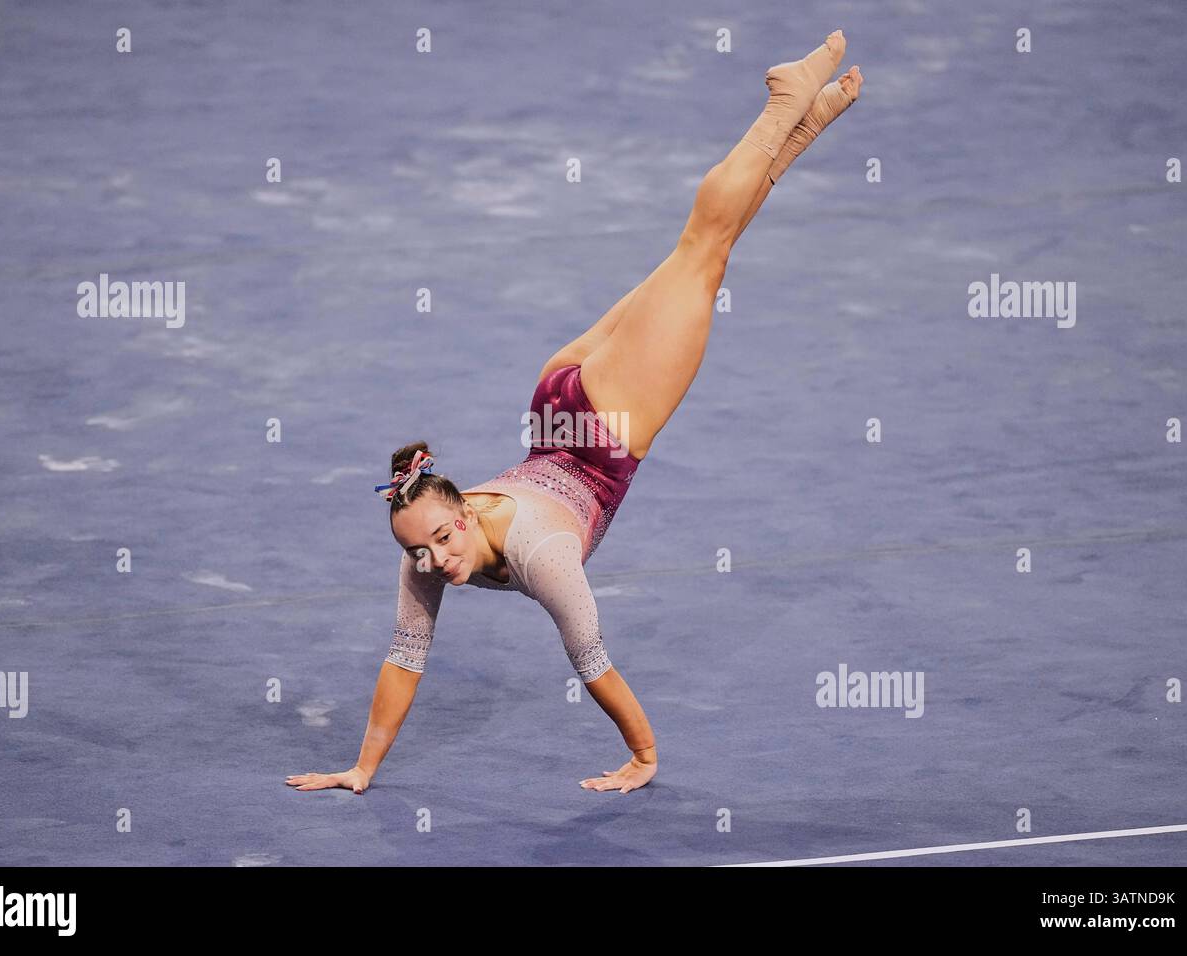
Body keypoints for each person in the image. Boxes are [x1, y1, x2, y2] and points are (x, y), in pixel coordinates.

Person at [286, 31, 863, 796]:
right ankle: (797, 131)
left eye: (435, 544)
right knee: (701, 257)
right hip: (555, 399)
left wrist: (646, 756)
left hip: (601, 426)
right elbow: (404, 657)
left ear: (461, 513)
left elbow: (594, 664)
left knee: (697, 252)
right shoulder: (429, 545)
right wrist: (361, 769)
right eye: (419, 554)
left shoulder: (543, 560)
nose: (431, 564)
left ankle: (785, 108)